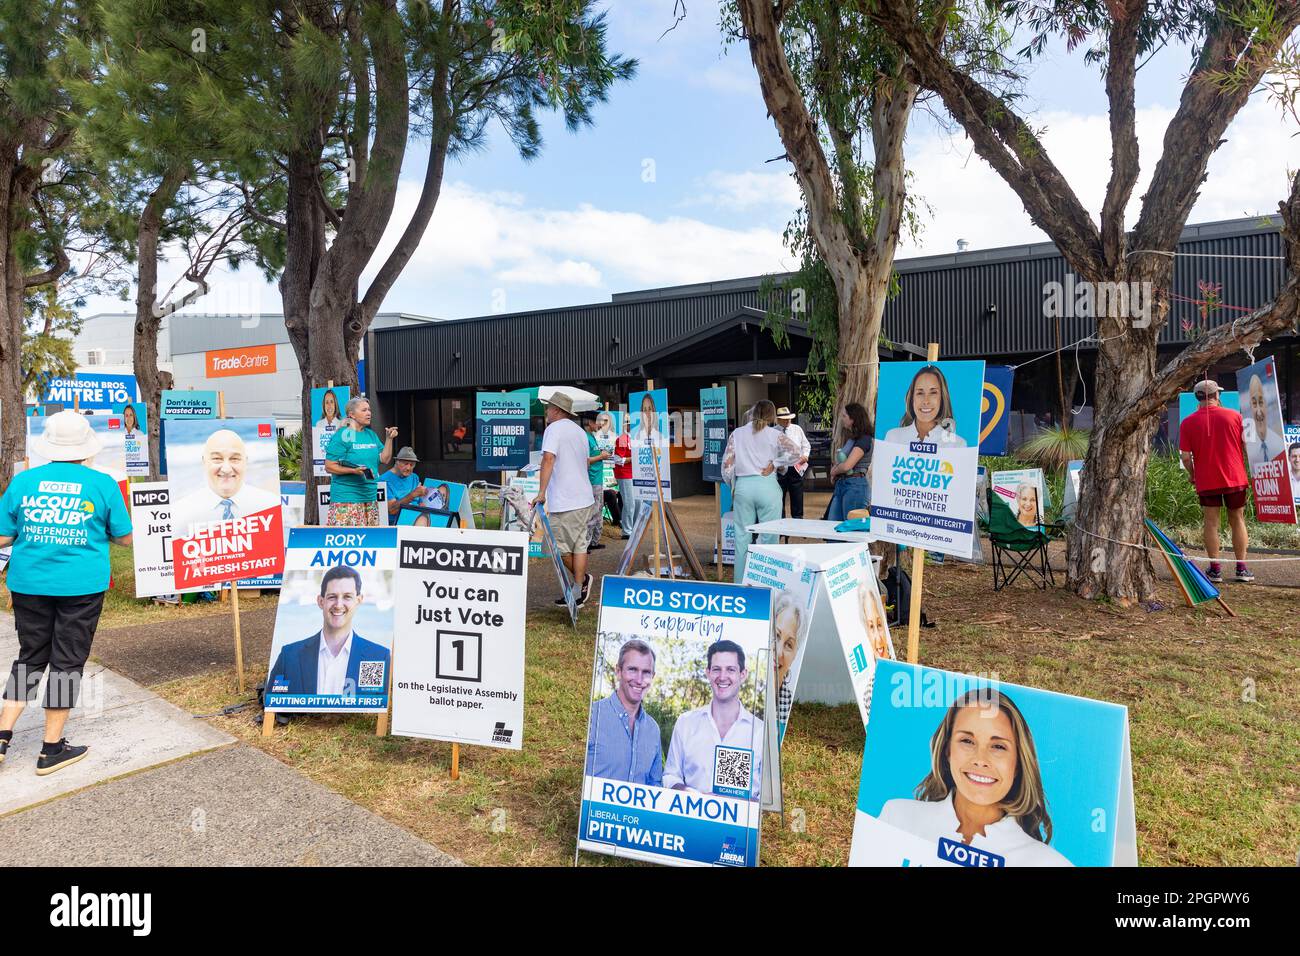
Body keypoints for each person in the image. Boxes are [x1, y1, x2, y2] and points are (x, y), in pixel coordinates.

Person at [0, 411, 134, 775]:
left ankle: (2, 734)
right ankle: (51, 748)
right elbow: (124, 537)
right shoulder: (102, 483)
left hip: (28, 584)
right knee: (66, 663)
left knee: (30, 657)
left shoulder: (24, 482)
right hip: (81, 586)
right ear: (85, 448)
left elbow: (3, 537)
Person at [878, 689, 1072, 866]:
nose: (980, 760)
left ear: (1018, 764)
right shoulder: (897, 818)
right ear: (947, 750)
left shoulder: (1048, 863)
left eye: (998, 746)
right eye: (967, 741)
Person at [266, 565, 391, 697]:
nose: (338, 605)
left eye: (347, 597)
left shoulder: (377, 657)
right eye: (332, 597)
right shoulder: (289, 656)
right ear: (321, 601)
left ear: (358, 601)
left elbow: (375, 706)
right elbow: (272, 702)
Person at [663, 639, 763, 800]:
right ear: (708, 673)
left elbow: (765, 797)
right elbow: (670, 776)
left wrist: (738, 803)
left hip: (740, 823)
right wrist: (693, 796)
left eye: (730, 669)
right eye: (716, 669)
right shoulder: (686, 723)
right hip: (690, 819)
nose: (722, 677)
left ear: (742, 675)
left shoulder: (760, 731)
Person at [722, 400, 805, 582]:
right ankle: (768, 583)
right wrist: (776, 464)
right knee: (770, 537)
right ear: (771, 416)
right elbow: (797, 454)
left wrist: (734, 486)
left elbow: (727, 467)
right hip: (768, 486)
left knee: (742, 539)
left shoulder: (737, 433)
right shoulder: (774, 435)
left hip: (744, 486)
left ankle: (740, 583)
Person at [1179, 379, 1253, 583]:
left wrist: (1192, 474)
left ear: (1197, 398)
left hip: (1207, 480)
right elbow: (1248, 446)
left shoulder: (1188, 422)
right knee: (1237, 520)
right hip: (1235, 477)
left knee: (1211, 523)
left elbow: (1185, 457)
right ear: (1216, 396)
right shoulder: (1235, 416)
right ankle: (1241, 569)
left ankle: (1215, 569)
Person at [532, 390, 596, 608]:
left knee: (558, 548)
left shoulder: (554, 429)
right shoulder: (579, 432)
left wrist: (541, 492)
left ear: (557, 410)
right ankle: (578, 590)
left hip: (566, 499)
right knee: (579, 545)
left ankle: (582, 582)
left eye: (549, 407)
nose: (546, 411)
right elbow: (585, 462)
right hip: (585, 497)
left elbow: (549, 459)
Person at [171, 427, 282, 537]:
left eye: (235, 459)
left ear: (245, 462)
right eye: (217, 459)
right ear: (204, 461)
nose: (226, 469)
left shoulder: (272, 506)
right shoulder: (180, 514)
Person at [585, 638, 663, 786]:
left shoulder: (653, 730)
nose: (639, 680)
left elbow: (655, 784)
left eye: (646, 672)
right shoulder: (592, 716)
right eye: (632, 669)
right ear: (619, 671)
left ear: (652, 677)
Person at [324, 396, 396, 527]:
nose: (368, 413)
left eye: (369, 410)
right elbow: (329, 466)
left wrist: (389, 439)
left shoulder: (371, 435)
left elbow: (384, 459)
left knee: (368, 542)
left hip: (370, 498)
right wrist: (353, 470)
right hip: (347, 500)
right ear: (352, 414)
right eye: (364, 410)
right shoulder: (344, 434)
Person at [884, 365, 966, 447]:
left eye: (933, 393)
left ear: (942, 398)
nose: (926, 401)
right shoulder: (893, 438)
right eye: (920, 393)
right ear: (912, 398)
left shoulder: (958, 445)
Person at [826, 402, 872, 522]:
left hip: (856, 486)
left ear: (853, 419)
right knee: (833, 529)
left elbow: (847, 465)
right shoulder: (853, 439)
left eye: (844, 416)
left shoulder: (865, 439)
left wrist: (834, 471)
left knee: (852, 530)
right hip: (844, 484)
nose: (842, 419)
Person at [772, 594, 804, 735]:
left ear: (795, 655)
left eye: (789, 645)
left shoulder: (785, 699)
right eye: (776, 635)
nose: (779, 653)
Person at [581, 411, 612, 551]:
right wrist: (601, 457)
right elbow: (584, 461)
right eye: (597, 422)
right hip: (591, 481)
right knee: (591, 514)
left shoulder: (593, 437)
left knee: (598, 512)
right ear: (589, 422)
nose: (599, 425)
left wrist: (603, 454)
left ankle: (594, 541)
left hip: (598, 480)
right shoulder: (584, 438)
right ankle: (584, 544)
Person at [775, 407, 811, 519]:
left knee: (797, 498)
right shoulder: (773, 432)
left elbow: (806, 445)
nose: (788, 421)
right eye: (785, 419)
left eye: (789, 419)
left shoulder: (797, 429)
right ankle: (780, 525)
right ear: (778, 420)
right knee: (779, 499)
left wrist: (805, 455)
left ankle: (798, 522)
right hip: (780, 469)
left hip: (796, 468)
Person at [379, 446, 425, 521]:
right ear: (397, 462)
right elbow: (392, 510)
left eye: (412, 464)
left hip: (417, 519)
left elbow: (420, 503)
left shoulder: (414, 477)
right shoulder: (384, 480)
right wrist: (413, 495)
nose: (408, 468)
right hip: (397, 523)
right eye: (405, 463)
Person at [613, 414, 637, 539]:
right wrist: (633, 459)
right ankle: (627, 531)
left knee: (638, 502)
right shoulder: (622, 438)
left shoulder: (636, 438)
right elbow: (617, 459)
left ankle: (635, 527)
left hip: (635, 473)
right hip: (624, 474)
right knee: (629, 503)